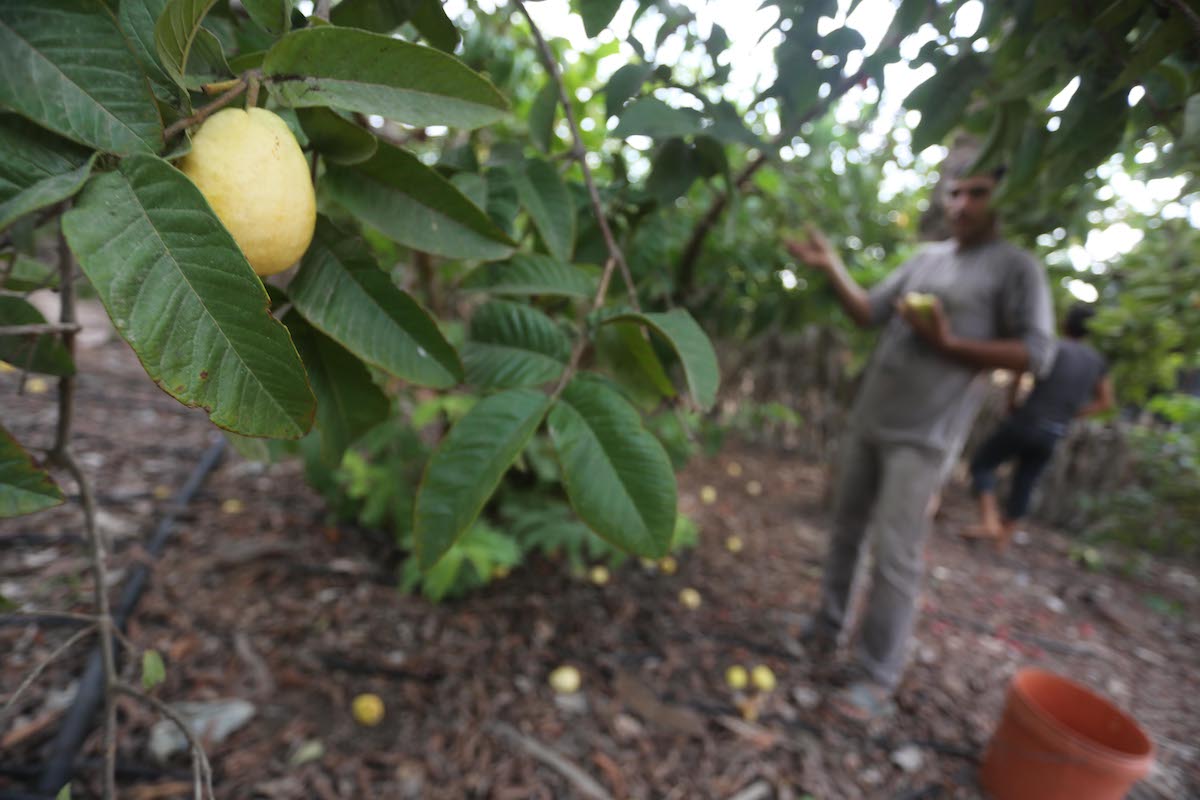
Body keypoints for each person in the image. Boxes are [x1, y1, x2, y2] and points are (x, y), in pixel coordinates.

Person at [784, 165, 1056, 723]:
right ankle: (826, 629)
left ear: (1000, 200)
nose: (961, 204)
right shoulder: (927, 259)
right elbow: (867, 313)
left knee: (896, 555)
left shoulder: (1016, 268)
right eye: (954, 193)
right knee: (845, 531)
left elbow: (1037, 353)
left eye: (976, 193)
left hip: (924, 435)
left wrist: (949, 341)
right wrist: (829, 264)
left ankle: (876, 675)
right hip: (872, 419)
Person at [964, 304, 1114, 548]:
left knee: (983, 463)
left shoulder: (1054, 346)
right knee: (1026, 480)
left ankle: (989, 521)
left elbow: (1023, 369)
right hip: (1054, 430)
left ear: (1065, 323)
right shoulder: (1097, 362)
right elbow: (1105, 401)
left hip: (1027, 419)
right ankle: (1004, 538)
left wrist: (1013, 401)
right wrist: (1071, 414)